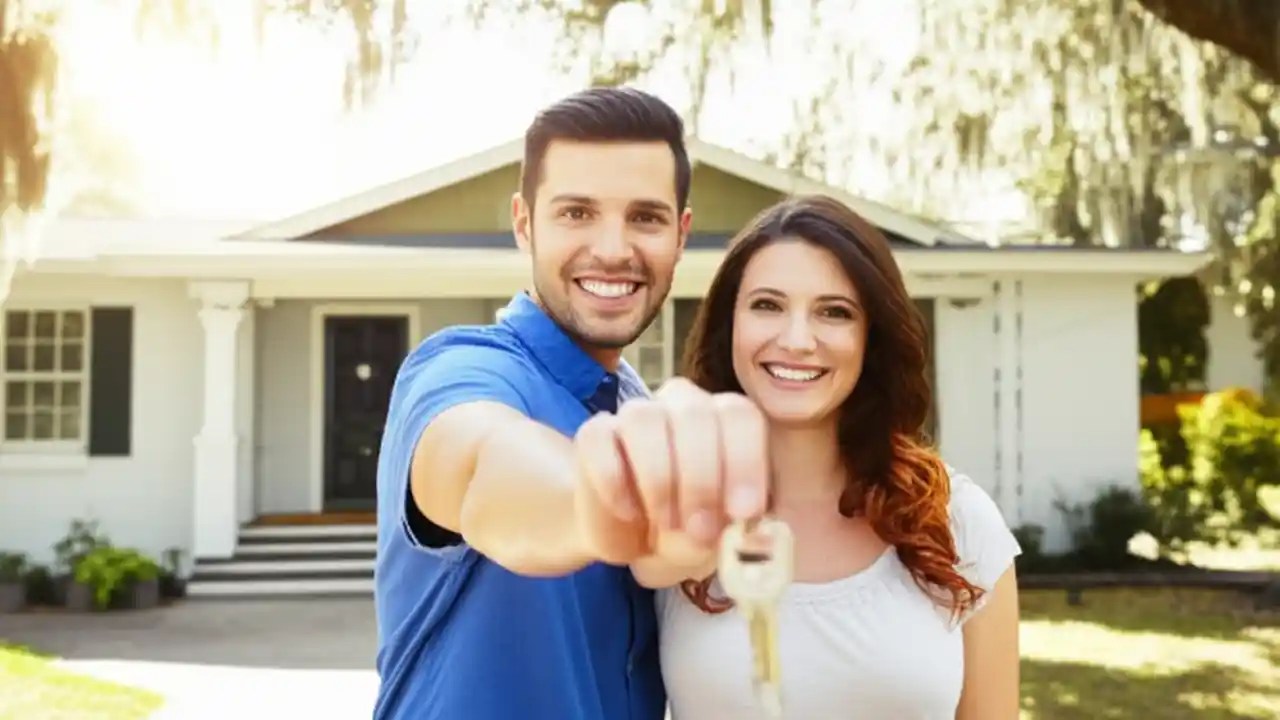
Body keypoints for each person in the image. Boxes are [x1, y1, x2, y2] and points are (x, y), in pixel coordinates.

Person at [371, 87, 772, 720]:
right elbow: (486, 465)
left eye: (645, 216)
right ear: (525, 223)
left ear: (681, 232)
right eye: (577, 212)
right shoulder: (460, 371)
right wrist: (602, 503)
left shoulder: (633, 402)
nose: (613, 249)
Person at [635, 195, 1024, 719]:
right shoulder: (674, 513)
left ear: (871, 337)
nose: (797, 340)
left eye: (834, 312)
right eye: (768, 305)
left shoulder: (959, 521)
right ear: (730, 324)